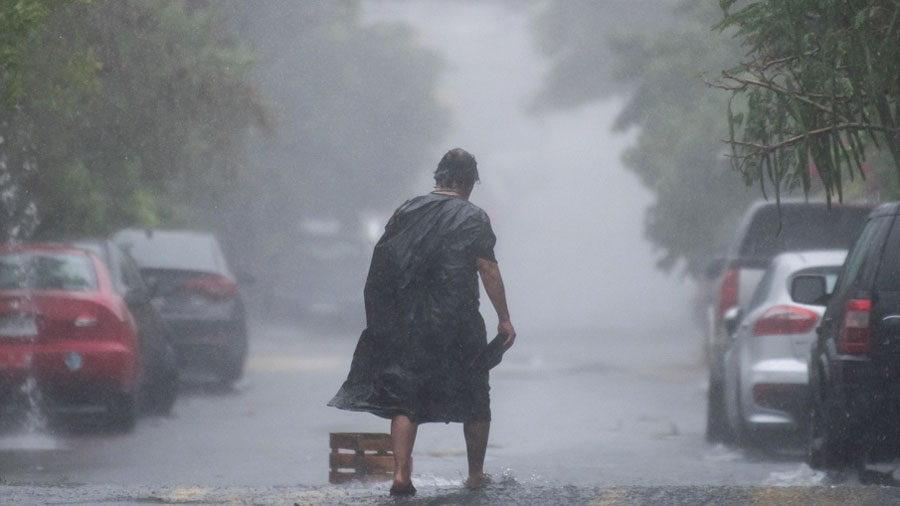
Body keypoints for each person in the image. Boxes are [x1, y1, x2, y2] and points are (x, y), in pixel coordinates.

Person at [327, 148, 516, 496]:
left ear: (440, 178)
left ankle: (400, 474)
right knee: (475, 396)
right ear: (466, 181)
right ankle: (475, 475)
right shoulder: (473, 217)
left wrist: (382, 321)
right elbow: (487, 268)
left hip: (410, 324)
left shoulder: (406, 211)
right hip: (458, 323)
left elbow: (381, 266)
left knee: (406, 398)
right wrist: (504, 319)